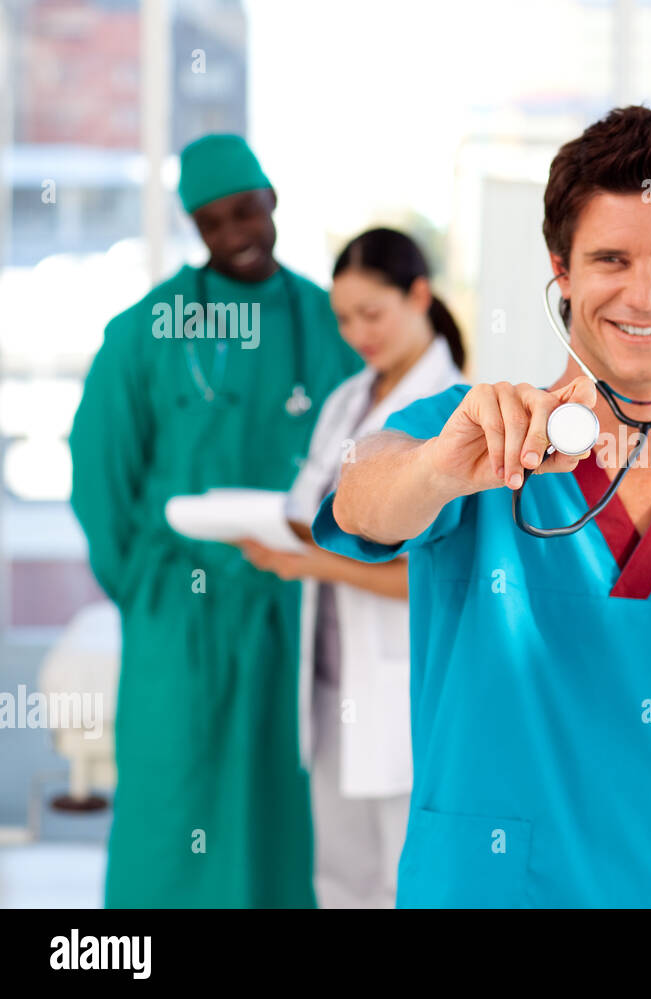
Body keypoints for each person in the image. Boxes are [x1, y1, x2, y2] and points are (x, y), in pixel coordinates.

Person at [312, 106, 651, 908]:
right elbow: (363, 495)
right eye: (610, 257)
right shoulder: (476, 437)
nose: (644, 295)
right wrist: (442, 466)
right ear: (562, 272)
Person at [68, 133, 362, 907]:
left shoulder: (330, 324)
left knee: (284, 799)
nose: (235, 235)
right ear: (193, 227)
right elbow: (101, 473)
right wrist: (142, 588)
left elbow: (369, 456)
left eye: (246, 211)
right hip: (179, 612)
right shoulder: (143, 332)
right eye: (211, 222)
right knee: (172, 793)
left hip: (294, 600)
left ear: (272, 202)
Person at [239, 228, 465, 908]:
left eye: (373, 313)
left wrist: (309, 562)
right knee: (337, 880)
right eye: (344, 318)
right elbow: (317, 511)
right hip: (332, 683)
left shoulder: (451, 413)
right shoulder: (347, 399)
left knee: (408, 882)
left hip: (403, 693)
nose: (357, 332)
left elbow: (420, 574)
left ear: (419, 295)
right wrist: (258, 524)